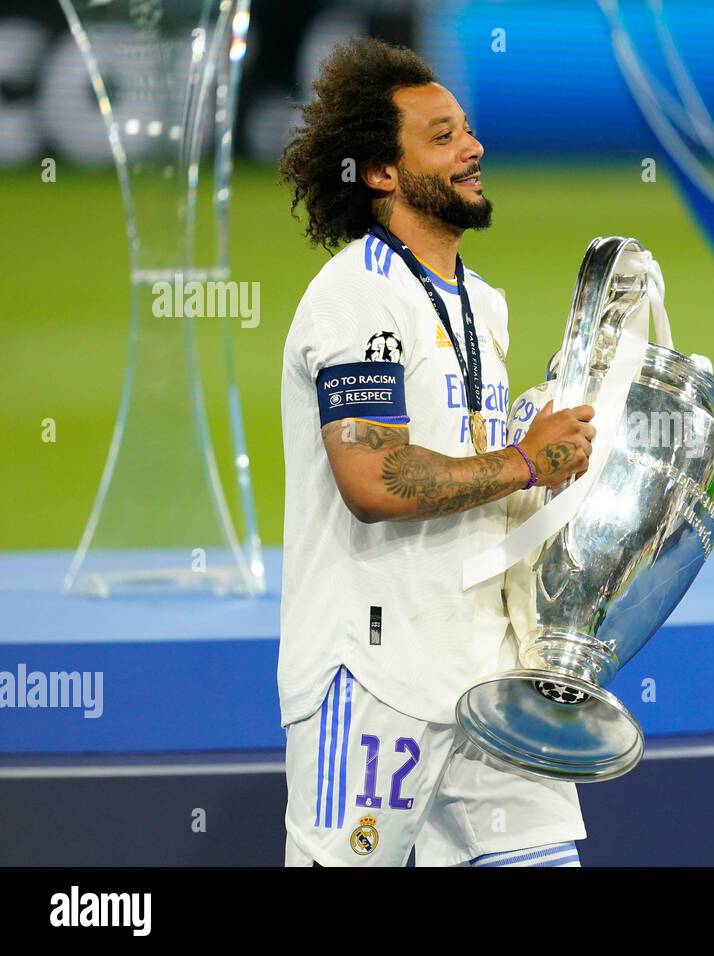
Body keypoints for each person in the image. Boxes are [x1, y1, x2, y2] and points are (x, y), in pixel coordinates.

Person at [276, 36, 594, 867]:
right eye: (444, 136)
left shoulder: (483, 303)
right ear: (383, 172)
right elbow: (373, 477)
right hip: (377, 679)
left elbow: (479, 476)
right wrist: (524, 461)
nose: (474, 147)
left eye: (468, 130)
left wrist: (555, 476)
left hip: (489, 676)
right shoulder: (356, 297)